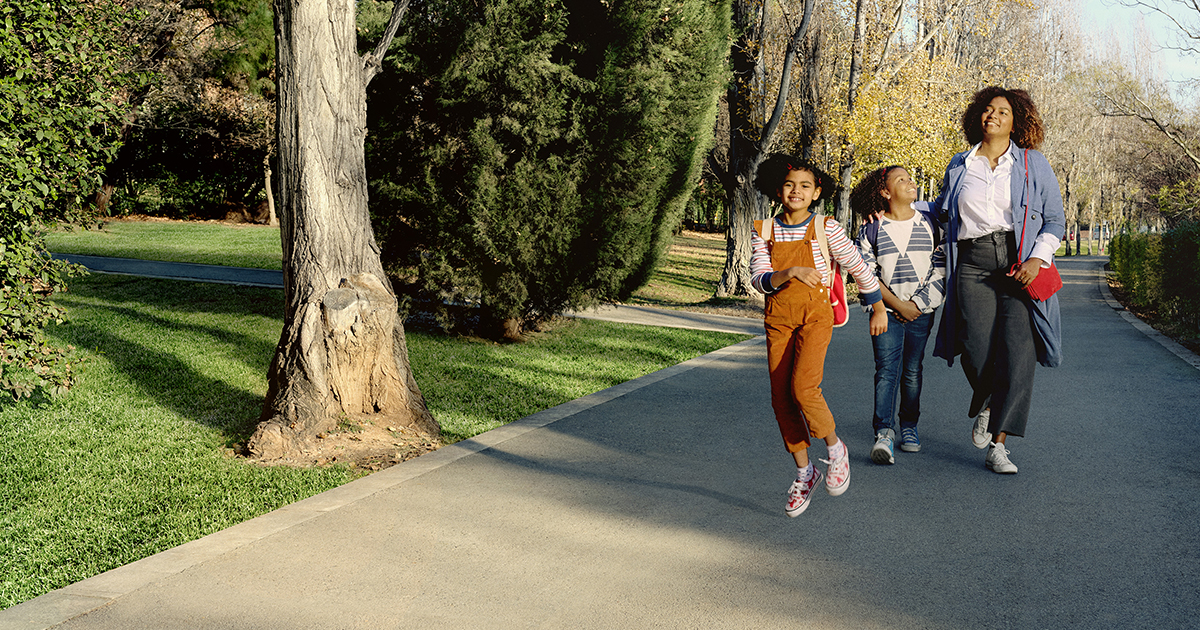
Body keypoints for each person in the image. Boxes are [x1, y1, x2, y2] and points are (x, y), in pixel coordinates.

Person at [929, 87, 1064, 474]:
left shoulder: (1031, 163)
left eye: (1003, 111)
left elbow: (1054, 218)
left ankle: (999, 446)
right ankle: (990, 402)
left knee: (1018, 353)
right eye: (988, 110)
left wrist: (1038, 259)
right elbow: (942, 211)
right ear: (978, 116)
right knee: (974, 345)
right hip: (972, 262)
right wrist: (892, 208)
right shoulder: (960, 164)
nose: (994, 116)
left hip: (1019, 261)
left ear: (1016, 121)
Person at [749, 154, 887, 517]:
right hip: (777, 318)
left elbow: (858, 267)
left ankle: (835, 448)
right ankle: (803, 472)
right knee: (781, 398)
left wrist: (878, 306)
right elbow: (759, 278)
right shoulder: (763, 230)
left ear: (816, 192)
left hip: (815, 316)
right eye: (790, 184)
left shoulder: (827, 228)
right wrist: (789, 271)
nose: (796, 191)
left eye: (805, 186)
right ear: (779, 189)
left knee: (803, 388)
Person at [851, 166, 946, 465]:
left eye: (911, 178)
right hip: (886, 313)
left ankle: (909, 426)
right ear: (884, 191)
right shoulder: (871, 229)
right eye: (901, 180)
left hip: (921, 311)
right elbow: (865, 272)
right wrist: (895, 305)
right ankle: (884, 433)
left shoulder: (931, 223)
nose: (911, 182)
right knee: (886, 371)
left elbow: (941, 266)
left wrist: (917, 304)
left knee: (912, 371)